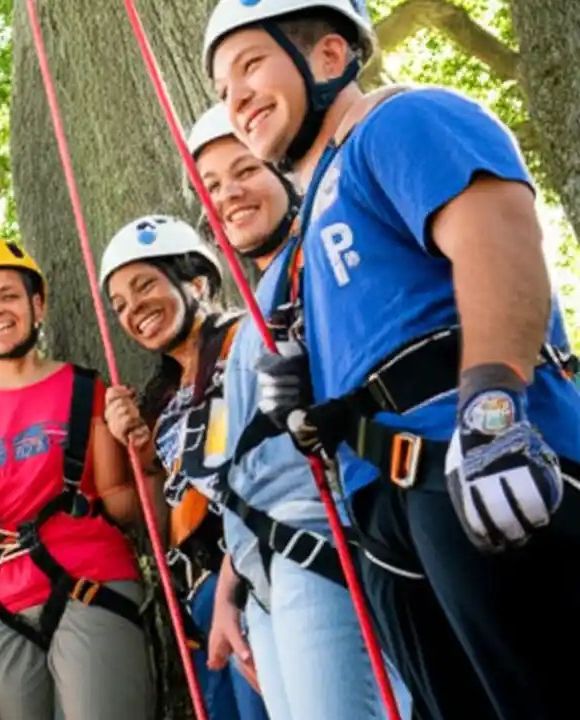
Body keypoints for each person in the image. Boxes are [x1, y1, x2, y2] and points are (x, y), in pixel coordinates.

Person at [203, 1, 580, 718]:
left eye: (251, 65)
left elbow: (496, 236)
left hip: (477, 459)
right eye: (223, 89)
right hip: (387, 514)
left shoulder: (402, 121)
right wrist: (312, 403)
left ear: (329, 57)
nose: (237, 99)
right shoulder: (312, 232)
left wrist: (492, 406)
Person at [188, 101, 411, 720]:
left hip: (329, 543)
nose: (229, 194)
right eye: (211, 186)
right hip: (267, 569)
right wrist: (232, 590)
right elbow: (251, 466)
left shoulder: (324, 259)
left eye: (245, 171)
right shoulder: (254, 316)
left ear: (285, 171)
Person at [0, 238, 154, 720]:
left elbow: (121, 505)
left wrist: (135, 444)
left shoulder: (86, 390)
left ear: (37, 304)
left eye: (9, 295)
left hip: (91, 587)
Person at [97, 214, 268, 720]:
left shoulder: (245, 342)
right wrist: (140, 458)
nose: (134, 310)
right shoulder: (160, 400)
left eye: (145, 285)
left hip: (258, 570)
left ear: (196, 281)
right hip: (199, 596)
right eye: (120, 305)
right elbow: (156, 521)